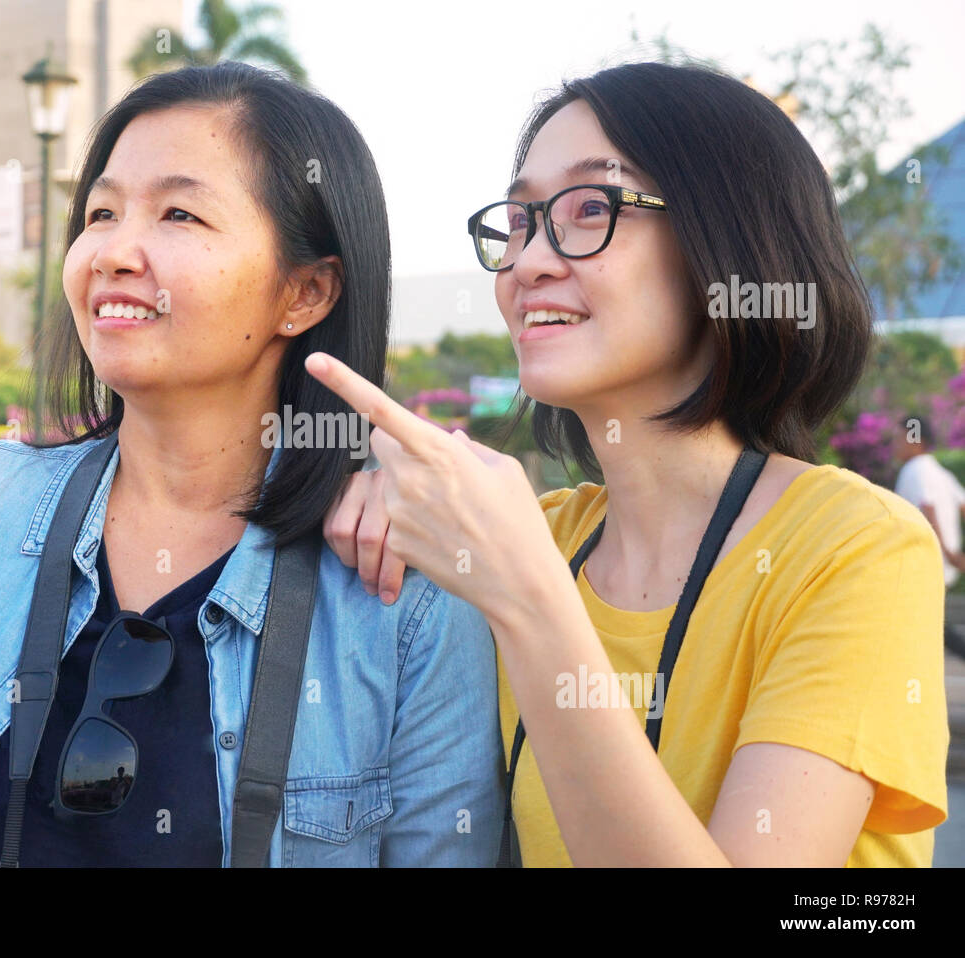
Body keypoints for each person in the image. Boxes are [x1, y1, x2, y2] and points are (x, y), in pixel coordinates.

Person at [0, 62, 502, 868]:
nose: (115, 251)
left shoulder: (405, 594)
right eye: (101, 212)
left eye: (178, 213)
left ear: (304, 292)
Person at [310, 61, 948, 866]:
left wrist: (529, 599)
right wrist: (379, 499)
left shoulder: (857, 547)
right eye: (518, 219)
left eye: (589, 209)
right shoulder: (537, 538)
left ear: (731, 244)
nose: (528, 262)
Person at [893, 414, 965, 659]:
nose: (895, 444)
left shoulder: (916, 470)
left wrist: (948, 553)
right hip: (935, 563)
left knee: (928, 627)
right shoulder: (938, 471)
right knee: (931, 626)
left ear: (916, 440)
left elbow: (928, 507)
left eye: (899, 438)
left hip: (925, 563)